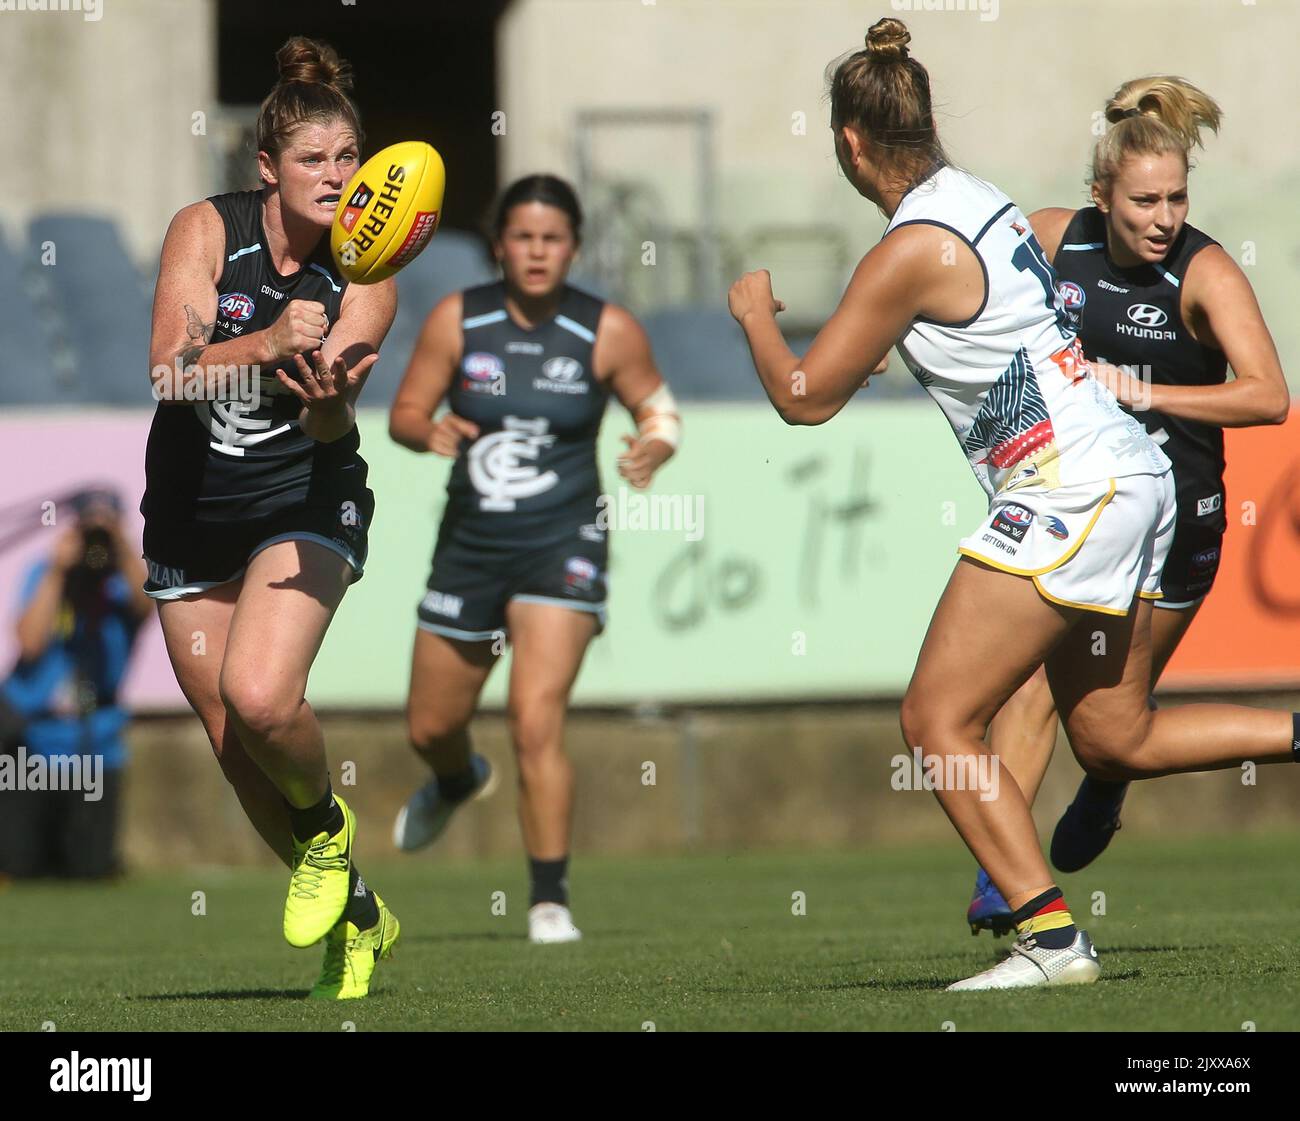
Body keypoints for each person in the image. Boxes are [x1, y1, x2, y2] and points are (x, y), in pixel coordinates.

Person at [728, 17, 1297, 990]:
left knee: (934, 719)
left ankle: (1049, 935)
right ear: (927, 126)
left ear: (850, 143)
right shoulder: (982, 201)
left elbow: (802, 398)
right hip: (1132, 478)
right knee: (1109, 733)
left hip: (1069, 488)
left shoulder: (910, 247)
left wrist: (752, 317)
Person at [966, 77, 1289, 936]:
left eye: (1178, 197)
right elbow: (956, 279)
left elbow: (1269, 398)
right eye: (1144, 199)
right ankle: (1006, 875)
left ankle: (1101, 787)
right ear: (1099, 195)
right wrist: (884, 337)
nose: (1165, 217)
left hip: (1181, 521)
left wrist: (1146, 392)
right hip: (1085, 505)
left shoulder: (1207, 272)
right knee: (1036, 684)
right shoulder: (1050, 240)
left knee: (1110, 730)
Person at [139, 37, 397, 999]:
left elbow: (335, 418)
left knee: (258, 697)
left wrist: (327, 389)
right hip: (191, 514)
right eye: (311, 160)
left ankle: (325, 834)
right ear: (267, 168)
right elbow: (168, 372)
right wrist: (266, 339)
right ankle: (360, 912)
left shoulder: (373, 270)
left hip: (304, 496)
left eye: (346, 161)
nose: (333, 179)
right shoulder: (206, 229)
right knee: (228, 741)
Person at [389, 174, 680, 944]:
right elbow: (404, 414)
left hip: (563, 545)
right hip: (471, 548)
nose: (538, 251)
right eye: (523, 237)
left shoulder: (606, 329)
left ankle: (549, 899)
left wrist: (654, 443)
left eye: (553, 239)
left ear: (574, 247)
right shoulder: (460, 319)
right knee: (429, 724)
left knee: (533, 716)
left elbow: (658, 406)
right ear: (499, 245)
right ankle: (455, 778)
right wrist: (431, 431)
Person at [0, 489, 150, 879]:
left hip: (96, 741)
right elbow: (29, 642)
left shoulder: (122, 582)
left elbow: (145, 604)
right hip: (32, 739)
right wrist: (57, 570)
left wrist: (118, 543)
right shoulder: (46, 573)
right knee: (19, 866)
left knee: (90, 869)